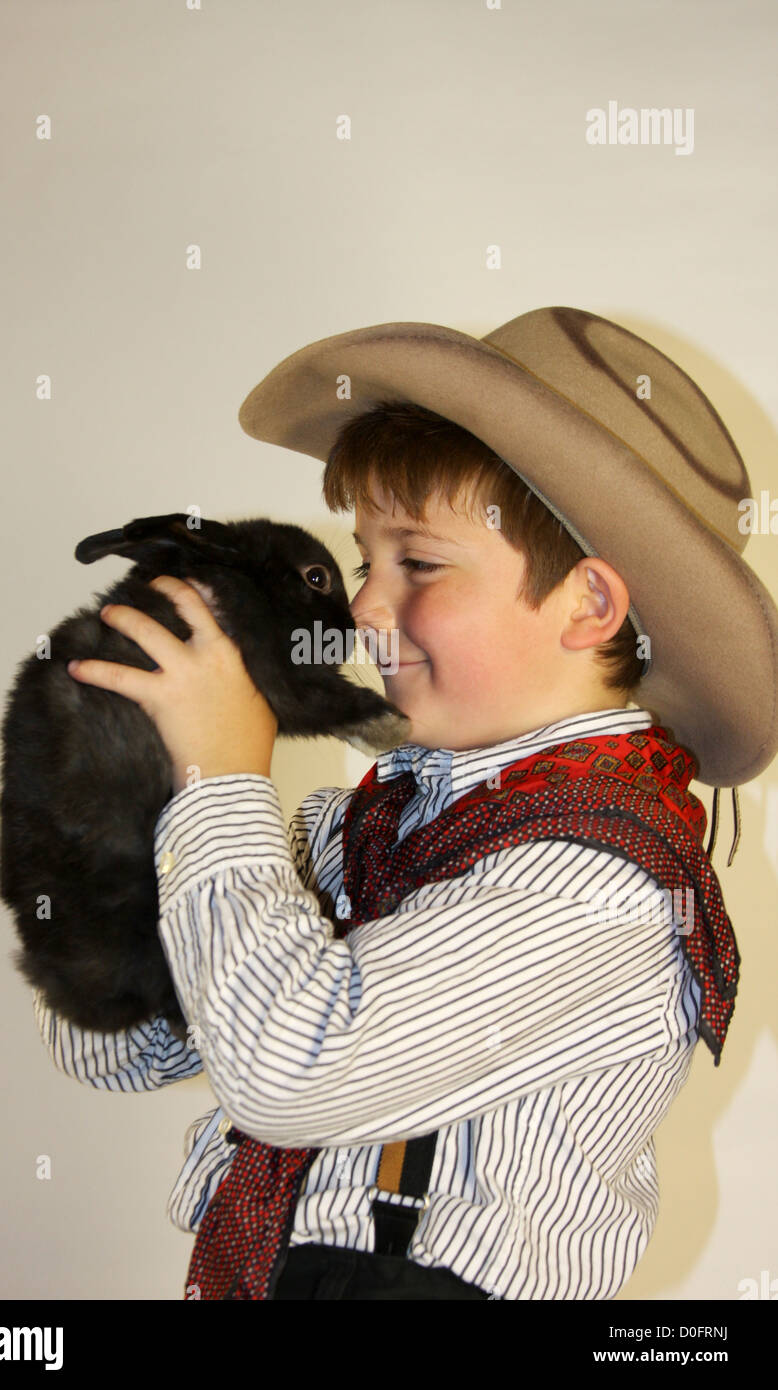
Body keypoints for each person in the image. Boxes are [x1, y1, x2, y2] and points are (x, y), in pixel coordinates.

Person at [42, 306, 778, 1300]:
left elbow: (289, 1072)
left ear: (589, 606)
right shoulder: (363, 829)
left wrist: (222, 783)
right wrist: (150, 793)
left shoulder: (598, 879)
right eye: (363, 559)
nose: (360, 607)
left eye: (416, 562)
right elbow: (120, 1046)